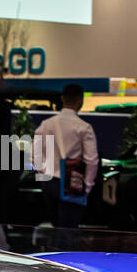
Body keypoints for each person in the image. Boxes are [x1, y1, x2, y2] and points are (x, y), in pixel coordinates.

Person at [33, 83, 98, 229]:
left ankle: (56, 251)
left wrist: (45, 174)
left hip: (49, 181)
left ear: (62, 99)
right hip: (73, 181)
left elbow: (35, 157)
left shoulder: (46, 124)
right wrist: (87, 187)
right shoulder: (83, 127)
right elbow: (91, 160)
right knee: (68, 230)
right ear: (80, 100)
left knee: (56, 228)